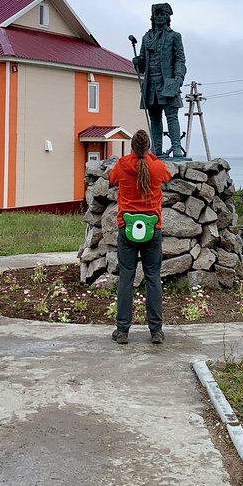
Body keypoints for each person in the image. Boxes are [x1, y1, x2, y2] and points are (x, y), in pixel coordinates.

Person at [108, 129, 173, 344]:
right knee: (153, 278)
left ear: (132, 146)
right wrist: (152, 158)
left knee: (126, 278)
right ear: (148, 147)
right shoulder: (156, 166)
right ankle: (156, 331)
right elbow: (168, 177)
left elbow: (111, 180)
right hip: (152, 230)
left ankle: (122, 331)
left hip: (126, 229)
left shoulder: (122, 165)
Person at [134, 2, 186, 158]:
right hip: (151, 83)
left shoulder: (174, 36)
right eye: (157, 15)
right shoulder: (146, 38)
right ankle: (157, 150)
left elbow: (180, 59)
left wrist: (178, 78)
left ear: (168, 17)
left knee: (172, 116)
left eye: (162, 14)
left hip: (168, 82)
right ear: (153, 17)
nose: (159, 17)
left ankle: (176, 147)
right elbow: (142, 66)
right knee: (155, 117)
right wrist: (137, 62)